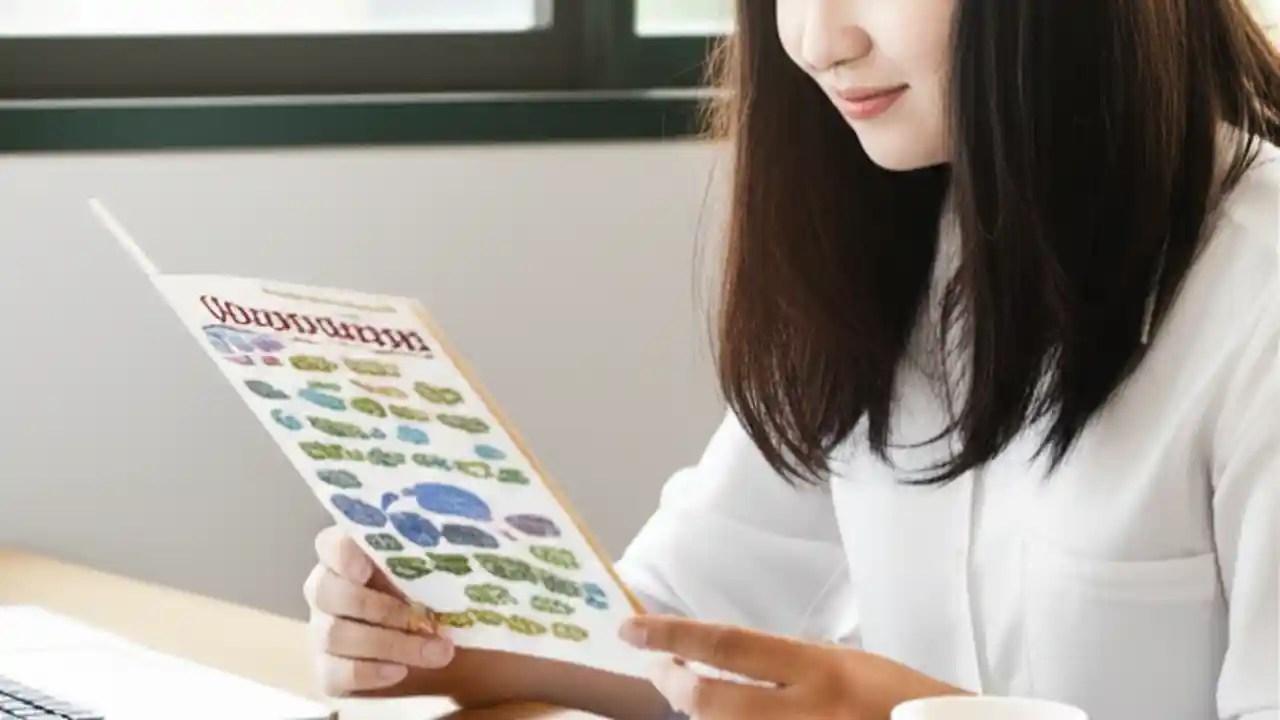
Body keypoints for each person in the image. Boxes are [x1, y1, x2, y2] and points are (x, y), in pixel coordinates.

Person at [302, 1, 1280, 718]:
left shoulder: (1257, 292)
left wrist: (899, 713)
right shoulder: (899, 241)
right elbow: (685, 624)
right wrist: (453, 646)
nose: (815, 40)